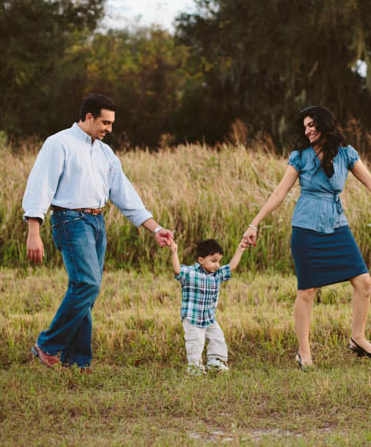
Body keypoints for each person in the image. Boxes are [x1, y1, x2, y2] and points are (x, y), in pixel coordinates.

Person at [241, 106, 371, 370]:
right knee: (307, 290)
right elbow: (278, 193)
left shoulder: (346, 154)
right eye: (304, 126)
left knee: (363, 281)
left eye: (311, 125)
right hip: (306, 228)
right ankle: (304, 353)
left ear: (325, 124)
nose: (306, 130)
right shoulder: (300, 156)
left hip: (337, 226)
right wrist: (254, 223)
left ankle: (358, 338)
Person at [22, 93, 173, 370]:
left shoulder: (105, 153)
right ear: (88, 117)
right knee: (87, 284)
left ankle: (78, 360)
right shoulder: (59, 143)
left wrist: (155, 228)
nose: (109, 129)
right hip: (69, 220)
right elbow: (39, 186)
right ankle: (47, 344)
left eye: (112, 123)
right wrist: (34, 230)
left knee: (86, 290)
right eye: (105, 122)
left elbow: (124, 193)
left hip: (96, 223)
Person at [169, 238, 247, 375]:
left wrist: (240, 249)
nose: (217, 265)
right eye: (213, 261)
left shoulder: (216, 274)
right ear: (201, 260)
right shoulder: (190, 273)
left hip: (209, 317)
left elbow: (231, 266)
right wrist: (174, 252)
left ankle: (215, 362)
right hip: (192, 318)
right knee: (195, 342)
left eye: (219, 261)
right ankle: (195, 368)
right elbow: (177, 270)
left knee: (218, 338)